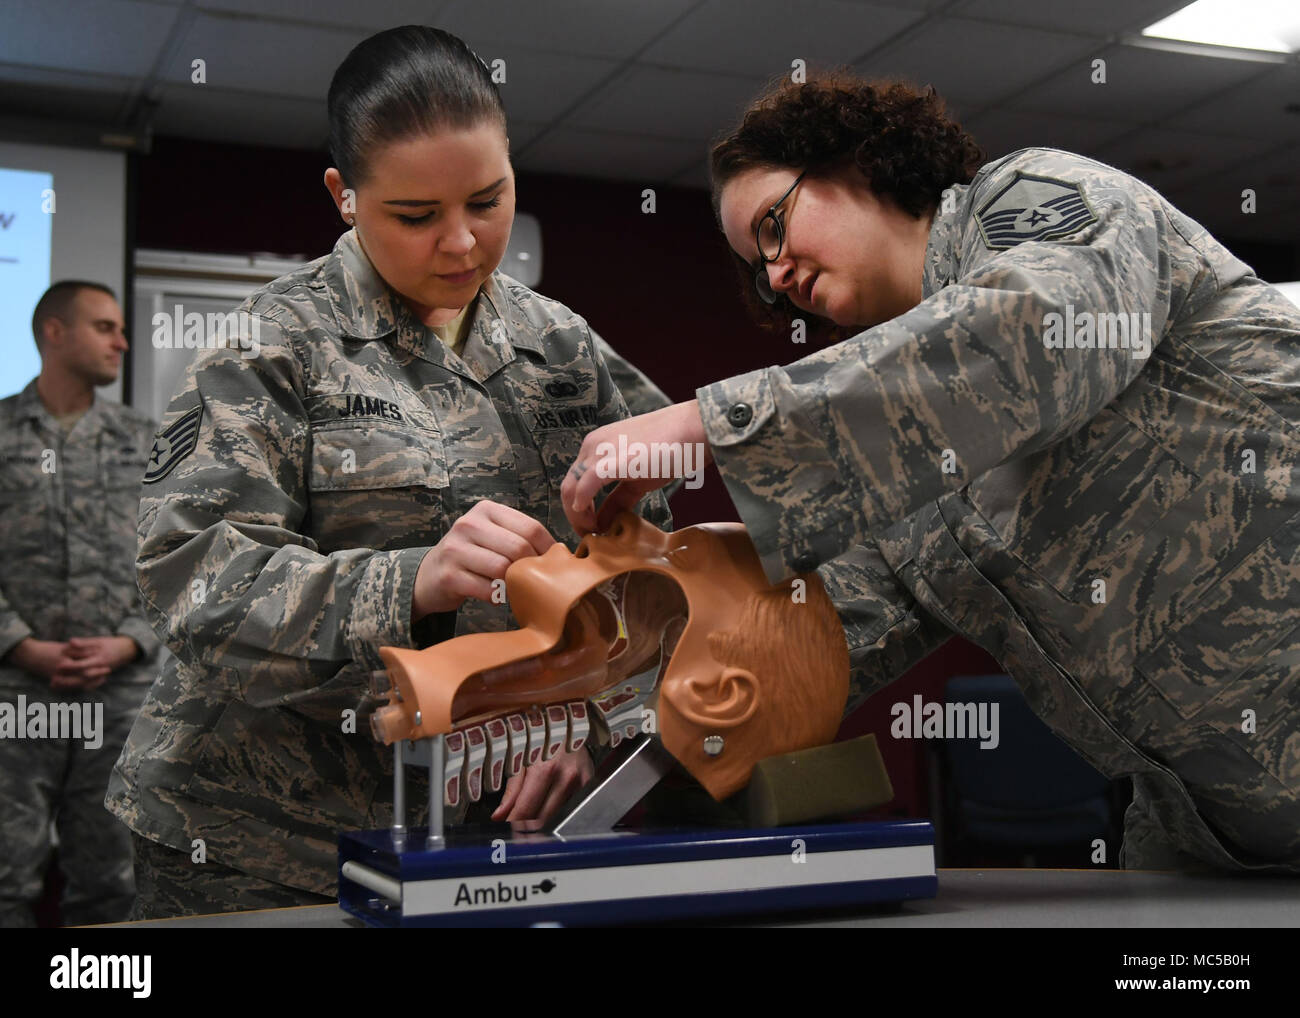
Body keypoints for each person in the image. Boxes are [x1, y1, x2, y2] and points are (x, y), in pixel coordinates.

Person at [563, 73, 1300, 874]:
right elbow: (808, 643)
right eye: (754, 268)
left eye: (774, 226)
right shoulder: (898, 476)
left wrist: (705, 422)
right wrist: (589, 721)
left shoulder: (1030, 197)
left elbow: (1033, 341)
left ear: (858, 162)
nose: (773, 276)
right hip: (1215, 843)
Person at [106, 25, 671, 919]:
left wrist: (591, 722)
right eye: (416, 216)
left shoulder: (560, 345)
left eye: (488, 201)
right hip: (260, 835)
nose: (461, 244)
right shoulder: (271, 347)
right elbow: (197, 586)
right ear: (344, 195)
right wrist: (415, 581)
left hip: (475, 830)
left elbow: (650, 564)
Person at [0, 281, 160, 926]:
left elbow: (178, 556)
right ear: (54, 332)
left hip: (119, 692)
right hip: (16, 691)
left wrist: (129, 639)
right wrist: (18, 643)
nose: (122, 341)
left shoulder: (145, 439)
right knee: (6, 873)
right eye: (105, 327)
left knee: (112, 878)